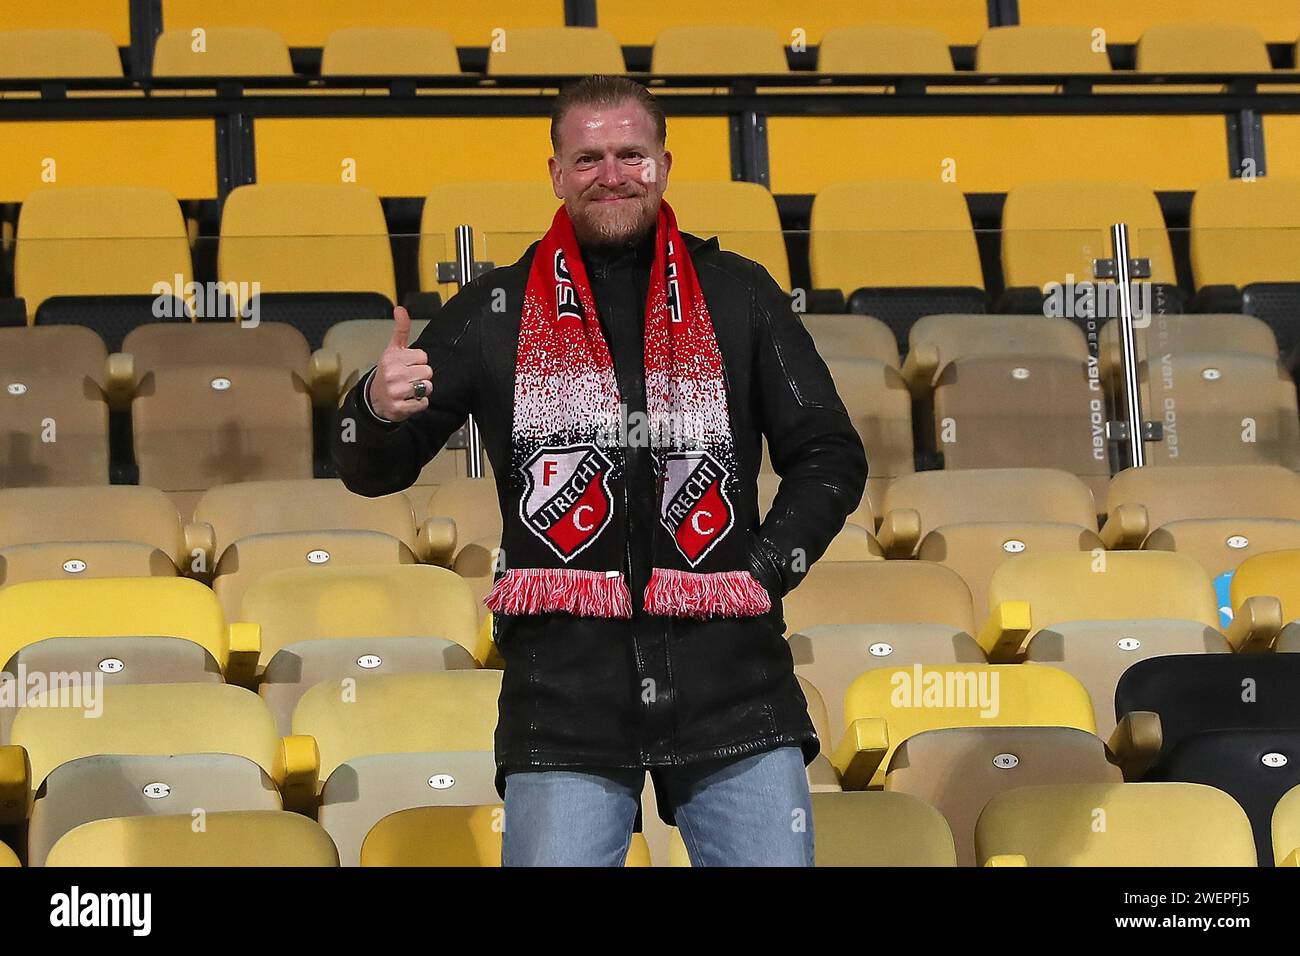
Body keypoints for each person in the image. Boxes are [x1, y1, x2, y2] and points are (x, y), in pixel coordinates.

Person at [332, 74, 867, 866]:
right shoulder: (493, 310)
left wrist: (757, 570)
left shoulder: (739, 293)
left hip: (735, 689)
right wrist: (375, 405)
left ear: (663, 164)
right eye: (587, 158)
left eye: (629, 154)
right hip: (564, 703)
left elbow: (830, 454)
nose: (610, 174)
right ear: (555, 173)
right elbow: (368, 470)